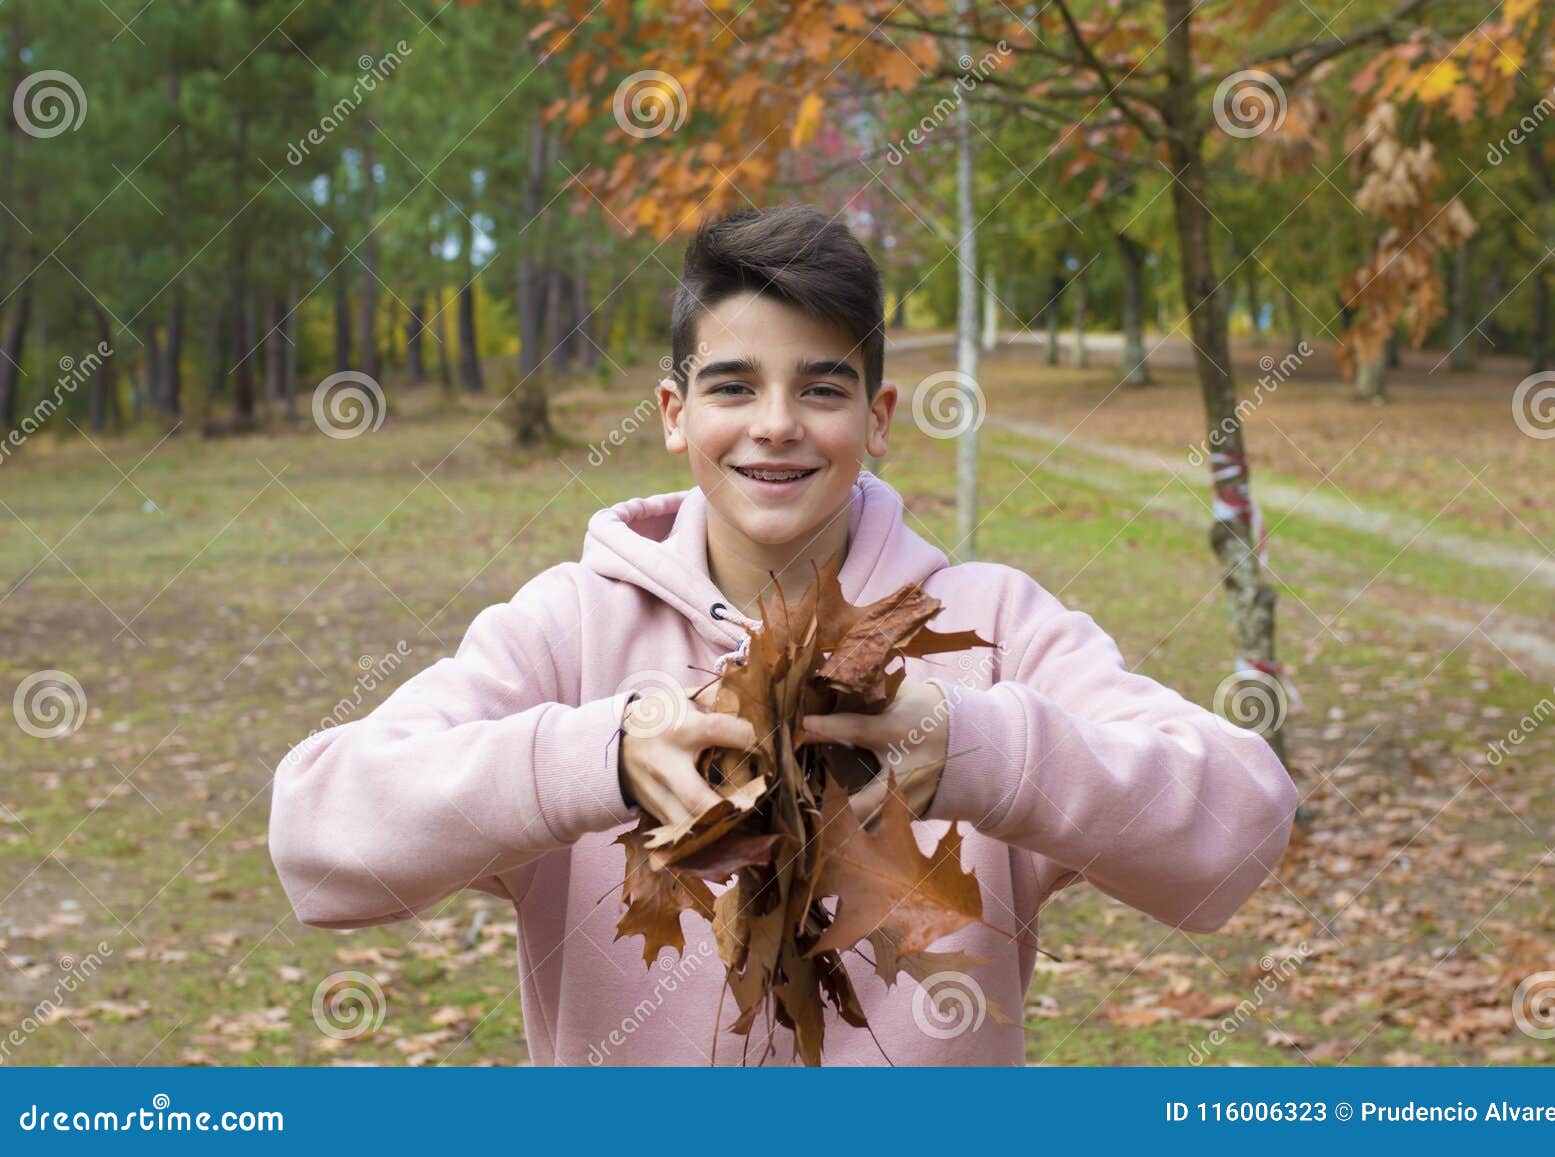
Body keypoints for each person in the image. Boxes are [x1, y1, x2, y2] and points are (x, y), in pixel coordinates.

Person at [267, 203, 1299, 1066]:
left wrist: (984, 750)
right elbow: (318, 844)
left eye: (821, 386)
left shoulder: (989, 628)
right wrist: (595, 757)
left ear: (879, 418)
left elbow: (1240, 833)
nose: (775, 422)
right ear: (673, 412)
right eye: (732, 385)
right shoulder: (567, 626)